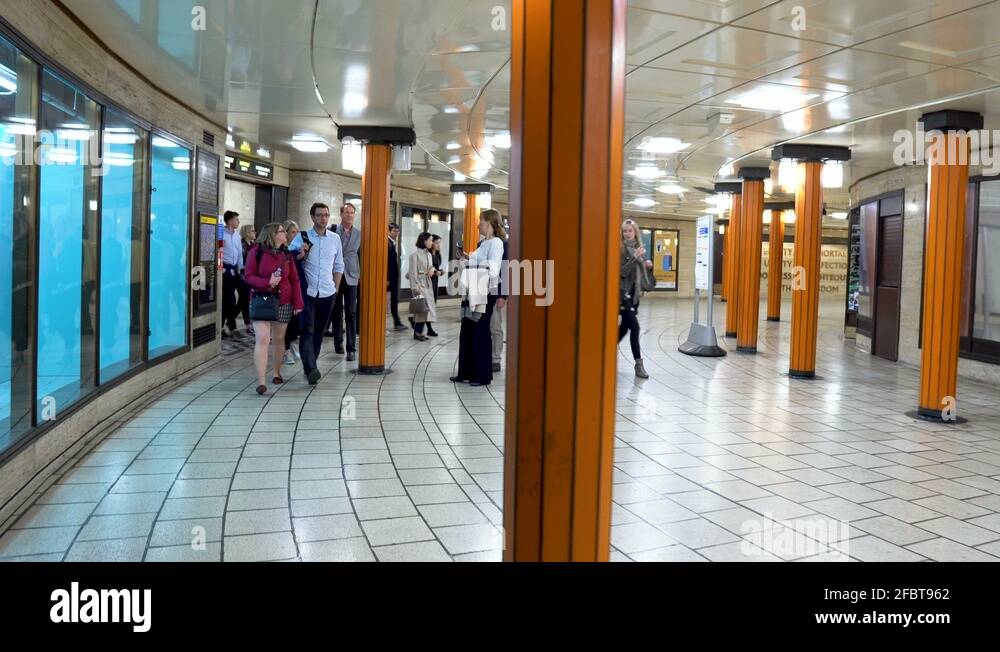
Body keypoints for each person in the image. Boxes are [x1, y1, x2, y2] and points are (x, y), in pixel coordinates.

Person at [244, 223, 304, 395]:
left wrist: (298, 303)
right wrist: (267, 282)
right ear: (272, 235)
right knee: (262, 339)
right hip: (261, 300)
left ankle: (276, 372)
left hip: (284, 301)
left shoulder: (287, 255)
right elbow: (248, 276)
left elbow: (294, 279)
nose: (285, 233)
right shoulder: (256, 252)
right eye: (281, 231)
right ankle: (261, 382)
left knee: (279, 339)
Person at [289, 202, 345, 385]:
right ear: (312, 217)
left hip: (328, 293)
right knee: (308, 330)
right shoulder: (302, 237)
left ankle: (310, 363)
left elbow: (338, 265)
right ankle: (311, 368)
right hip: (308, 292)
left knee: (319, 333)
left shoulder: (335, 238)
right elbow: (289, 261)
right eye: (320, 215)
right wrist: (300, 254)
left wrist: (335, 289)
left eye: (326, 215)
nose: (323, 218)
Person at [451, 209, 506, 387]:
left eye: (480, 221)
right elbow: (476, 260)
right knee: (466, 330)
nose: (477, 224)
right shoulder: (483, 243)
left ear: (489, 222)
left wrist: (472, 262)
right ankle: (465, 372)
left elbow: (494, 269)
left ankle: (481, 375)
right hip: (473, 289)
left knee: (480, 332)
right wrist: (467, 260)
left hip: (485, 293)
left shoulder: (496, 243)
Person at [620, 219, 653, 379]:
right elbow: (622, 272)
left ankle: (602, 354)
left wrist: (648, 265)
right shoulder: (621, 250)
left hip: (634, 296)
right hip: (622, 295)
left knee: (624, 328)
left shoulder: (639, 249)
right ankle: (639, 365)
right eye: (624, 231)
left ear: (635, 232)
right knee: (635, 328)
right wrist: (635, 258)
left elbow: (643, 276)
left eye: (630, 231)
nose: (627, 234)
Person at [331, 204, 361, 360]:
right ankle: (338, 343)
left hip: (352, 275)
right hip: (335, 275)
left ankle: (351, 348)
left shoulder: (359, 234)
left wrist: (360, 274)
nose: (349, 215)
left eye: (352, 213)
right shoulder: (333, 230)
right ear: (341, 214)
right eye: (346, 212)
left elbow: (361, 255)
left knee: (351, 311)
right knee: (336, 311)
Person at [407, 232, 439, 341]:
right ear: (424, 241)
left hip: (428, 283)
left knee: (426, 309)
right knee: (422, 309)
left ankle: (418, 331)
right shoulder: (414, 256)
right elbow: (412, 273)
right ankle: (417, 332)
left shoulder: (429, 254)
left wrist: (434, 271)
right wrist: (414, 287)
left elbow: (430, 267)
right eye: (430, 240)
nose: (431, 242)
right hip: (419, 284)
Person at [220, 211, 247, 339]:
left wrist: (241, 270)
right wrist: (220, 268)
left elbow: (239, 253)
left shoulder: (236, 235)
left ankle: (222, 325)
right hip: (225, 268)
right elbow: (217, 251)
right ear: (230, 221)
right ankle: (232, 327)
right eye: (236, 219)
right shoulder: (221, 234)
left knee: (244, 294)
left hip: (235, 269)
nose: (238, 222)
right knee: (229, 299)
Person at [281, 220, 304, 366]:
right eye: (293, 232)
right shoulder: (284, 250)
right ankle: (285, 350)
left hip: (298, 287)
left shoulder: (299, 248)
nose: (296, 235)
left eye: (297, 232)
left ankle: (293, 343)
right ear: (286, 233)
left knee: (296, 321)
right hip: (285, 290)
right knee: (287, 323)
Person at [490, 229, 509, 372]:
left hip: (496, 292)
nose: (478, 226)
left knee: (495, 327)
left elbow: (506, 270)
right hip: (481, 292)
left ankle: (496, 359)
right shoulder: (481, 244)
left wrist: (503, 295)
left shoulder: (504, 245)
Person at [387, 223, 408, 331]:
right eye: (394, 231)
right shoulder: (388, 243)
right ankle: (396, 322)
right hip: (389, 279)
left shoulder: (392, 243)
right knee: (390, 301)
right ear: (389, 231)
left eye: (398, 231)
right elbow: (387, 263)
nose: (396, 233)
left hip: (393, 279)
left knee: (394, 300)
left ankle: (397, 321)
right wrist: (387, 279)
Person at [239, 224, 257, 334]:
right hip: (243, 275)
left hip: (250, 275)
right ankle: (247, 323)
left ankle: (229, 320)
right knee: (244, 299)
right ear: (247, 232)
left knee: (243, 300)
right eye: (253, 231)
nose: (255, 233)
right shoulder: (242, 244)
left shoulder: (253, 244)